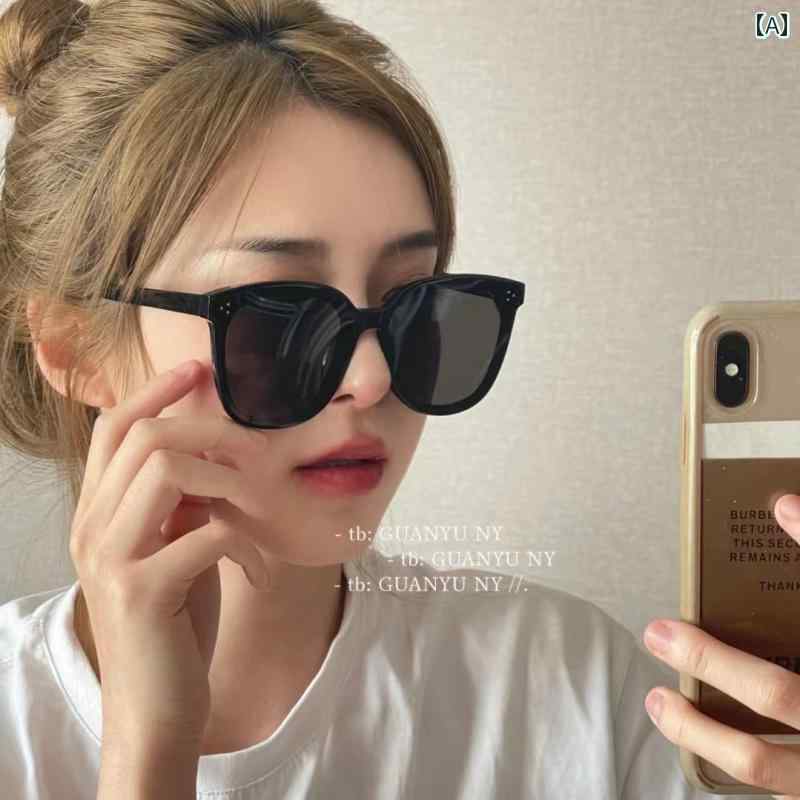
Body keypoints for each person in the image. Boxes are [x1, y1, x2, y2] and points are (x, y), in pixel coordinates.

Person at [0, 1, 797, 798]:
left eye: (413, 301)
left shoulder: (569, 687)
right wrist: (148, 755)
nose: (373, 376)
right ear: (73, 346)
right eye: (279, 313)